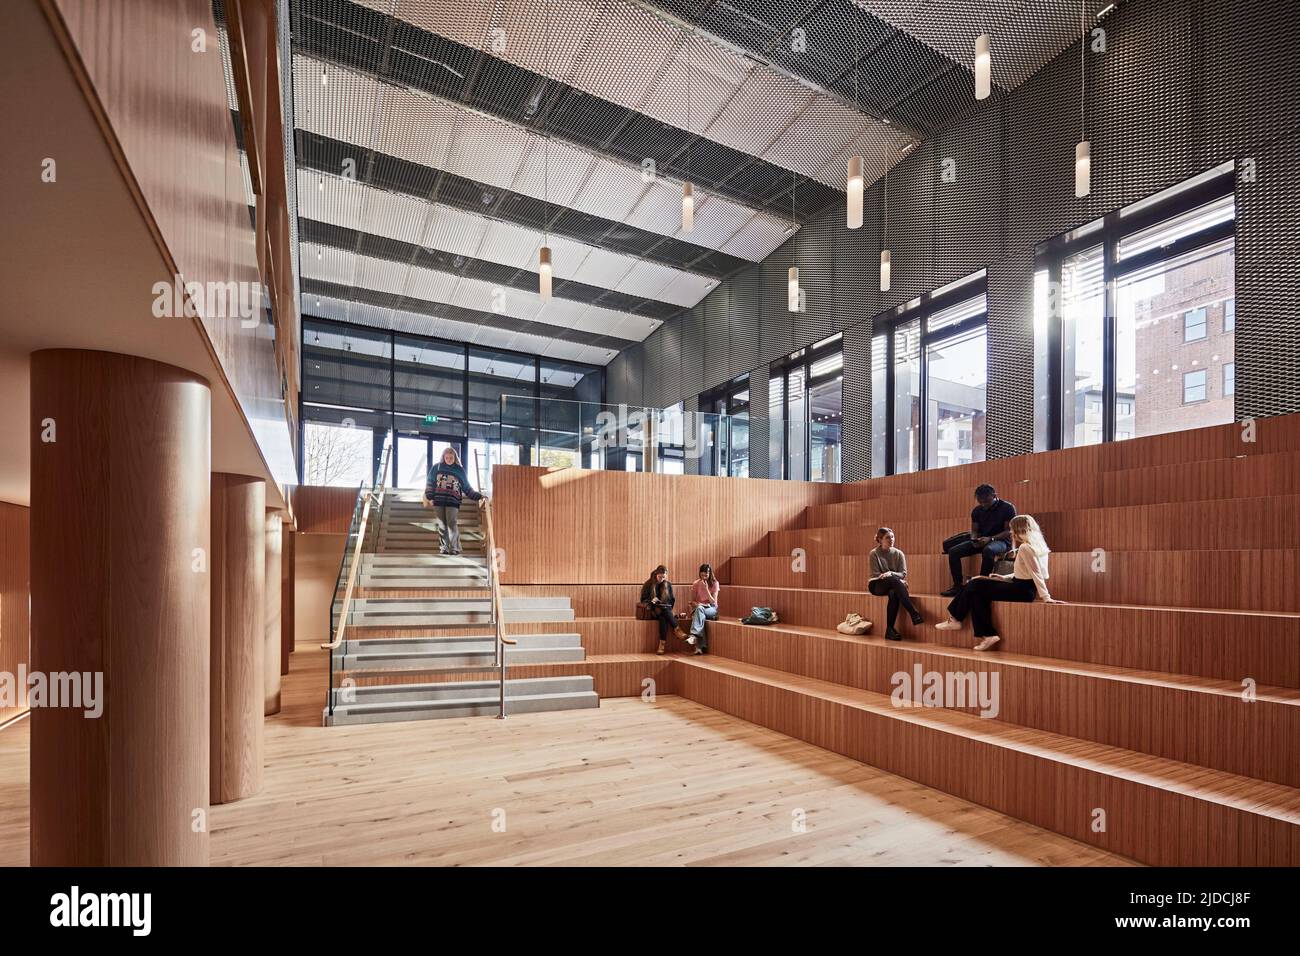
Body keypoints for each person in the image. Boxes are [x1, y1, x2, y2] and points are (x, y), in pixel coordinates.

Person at [935, 514, 1062, 651]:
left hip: (1021, 590)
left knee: (974, 584)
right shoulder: (1039, 546)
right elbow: (1030, 572)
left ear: (1020, 530)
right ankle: (988, 635)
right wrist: (1004, 577)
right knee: (976, 594)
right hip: (1023, 587)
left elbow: (1037, 574)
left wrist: (1046, 597)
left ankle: (955, 619)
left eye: (1013, 529)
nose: (1011, 533)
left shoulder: (1025, 548)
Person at [941, 483, 1016, 597]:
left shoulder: (1007, 508)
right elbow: (975, 530)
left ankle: (981, 585)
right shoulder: (977, 510)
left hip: (1002, 541)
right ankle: (957, 586)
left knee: (988, 550)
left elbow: (1008, 531)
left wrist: (990, 538)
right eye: (980, 502)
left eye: (986, 501)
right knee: (953, 551)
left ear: (994, 495)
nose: (983, 504)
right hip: (983, 540)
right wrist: (975, 539)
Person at [424, 446, 485, 555]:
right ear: (443, 457)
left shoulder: (459, 470)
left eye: (451, 458)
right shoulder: (436, 468)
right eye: (447, 457)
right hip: (439, 500)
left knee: (451, 524)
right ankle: (444, 548)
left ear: (455, 457)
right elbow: (429, 482)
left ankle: (455, 548)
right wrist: (430, 496)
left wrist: (478, 496)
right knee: (442, 525)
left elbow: (466, 487)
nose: (449, 460)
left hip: (453, 501)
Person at [867, 527, 923, 641]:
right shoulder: (874, 554)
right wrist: (896, 579)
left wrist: (890, 573)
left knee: (893, 593)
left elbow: (903, 573)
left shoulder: (899, 554)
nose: (891, 539)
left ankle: (890, 629)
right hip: (877, 585)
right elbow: (877, 574)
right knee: (894, 581)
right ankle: (913, 612)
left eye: (892, 537)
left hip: (894, 584)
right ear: (880, 539)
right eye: (888, 537)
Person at [640, 565, 686, 655]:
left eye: (663, 577)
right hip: (652, 610)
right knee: (663, 612)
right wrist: (651, 601)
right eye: (659, 577)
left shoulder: (667, 584)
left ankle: (662, 646)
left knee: (663, 617)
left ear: (666, 576)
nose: (661, 579)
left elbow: (672, 600)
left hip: (664, 610)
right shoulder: (648, 584)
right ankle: (677, 630)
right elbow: (643, 600)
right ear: (656, 574)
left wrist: (667, 606)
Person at [686, 563, 720, 655]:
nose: (704, 577)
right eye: (702, 575)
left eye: (706, 575)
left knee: (700, 610)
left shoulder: (715, 583)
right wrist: (697, 604)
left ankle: (693, 636)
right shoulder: (696, 583)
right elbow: (692, 601)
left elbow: (713, 602)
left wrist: (706, 589)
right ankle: (700, 648)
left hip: (711, 609)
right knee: (700, 613)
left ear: (710, 574)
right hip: (699, 608)